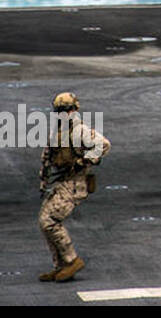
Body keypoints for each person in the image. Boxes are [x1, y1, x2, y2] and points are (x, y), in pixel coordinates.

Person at [38, 92, 110, 283]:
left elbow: (103, 145)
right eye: (60, 110)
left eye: (67, 110)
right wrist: (44, 180)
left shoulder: (80, 131)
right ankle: (60, 266)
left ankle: (71, 261)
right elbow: (48, 155)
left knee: (50, 221)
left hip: (74, 184)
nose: (64, 113)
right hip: (61, 182)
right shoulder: (58, 130)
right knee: (45, 222)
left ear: (75, 110)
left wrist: (83, 161)